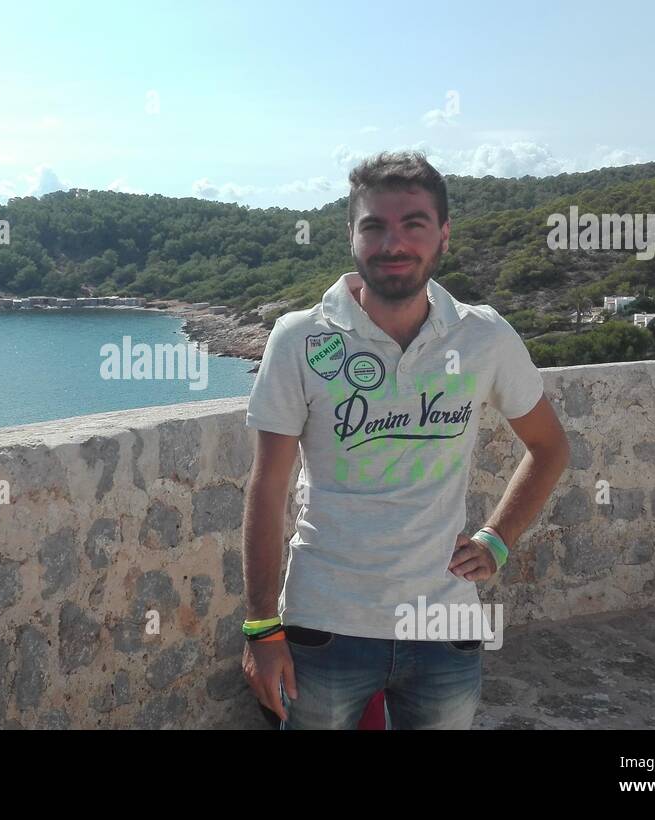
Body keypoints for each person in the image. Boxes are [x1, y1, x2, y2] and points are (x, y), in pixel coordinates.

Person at [240, 152, 570, 729]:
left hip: (445, 626)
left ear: (443, 235)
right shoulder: (299, 339)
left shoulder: (482, 336)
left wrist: (497, 539)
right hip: (324, 623)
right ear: (352, 236)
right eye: (374, 225)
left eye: (413, 224)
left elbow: (549, 448)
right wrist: (262, 626)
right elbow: (267, 489)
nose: (392, 243)